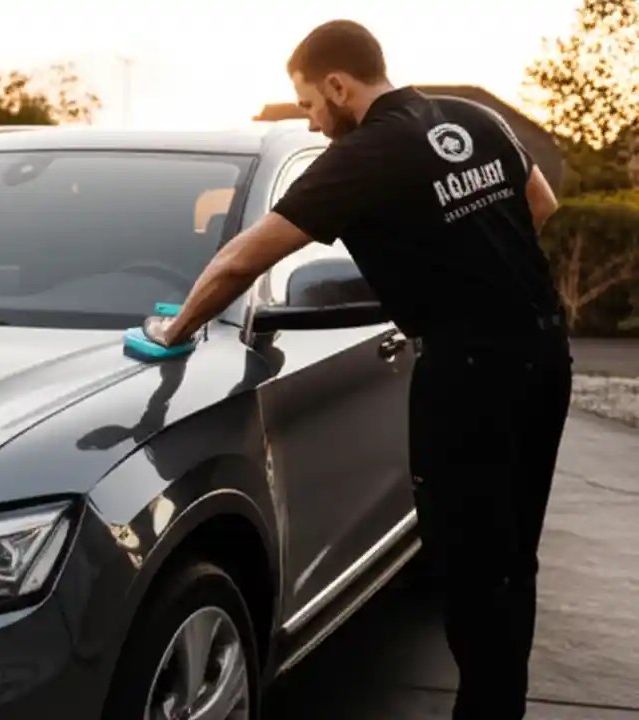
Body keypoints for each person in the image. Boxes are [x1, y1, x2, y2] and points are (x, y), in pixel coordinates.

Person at [145, 19, 572, 720]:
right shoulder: (473, 117)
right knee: (511, 552)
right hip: (545, 355)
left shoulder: (361, 157)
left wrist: (174, 329)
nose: (312, 123)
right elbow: (540, 205)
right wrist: (473, 264)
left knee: (466, 563)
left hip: (469, 376)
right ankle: (503, 704)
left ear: (339, 85)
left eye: (311, 103)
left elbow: (240, 260)